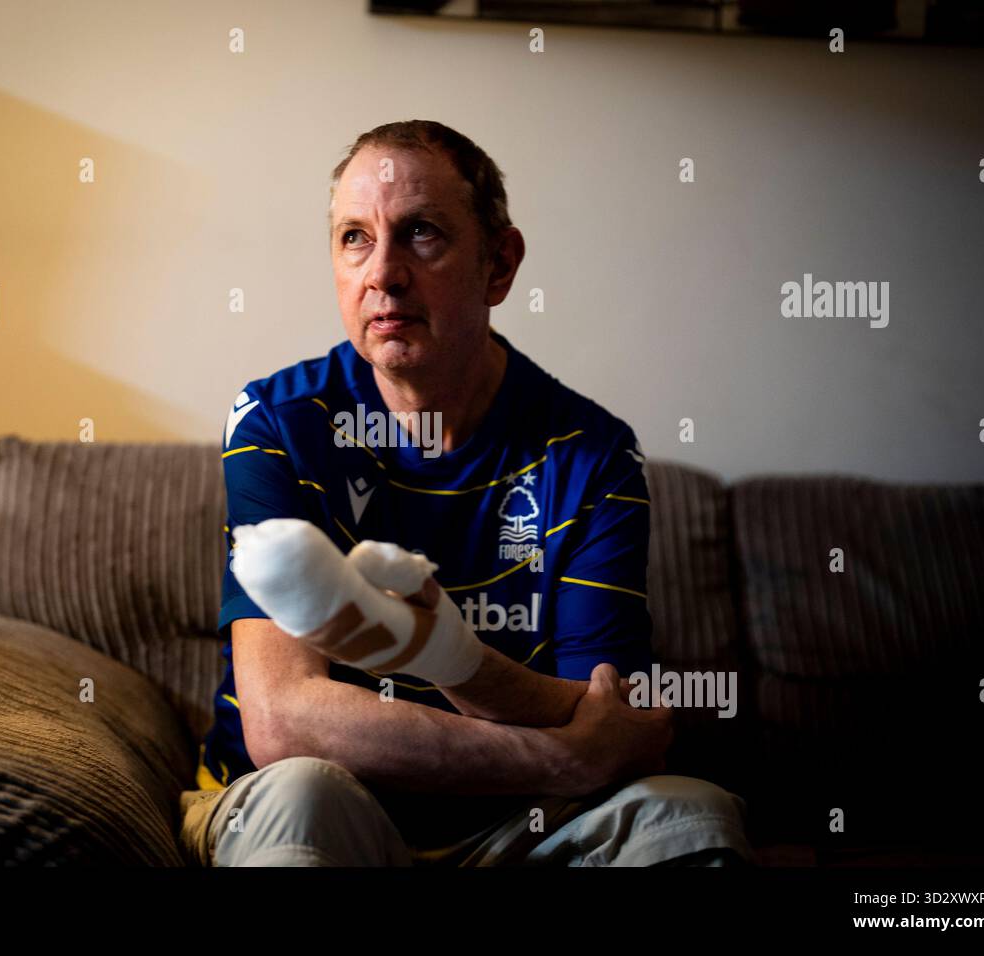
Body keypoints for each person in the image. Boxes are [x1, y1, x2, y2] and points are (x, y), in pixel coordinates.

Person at [178, 119, 753, 867]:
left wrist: (446, 656)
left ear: (500, 265)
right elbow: (285, 722)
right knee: (302, 793)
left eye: (420, 233)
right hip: (326, 812)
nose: (381, 273)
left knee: (690, 815)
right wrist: (561, 759)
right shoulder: (277, 422)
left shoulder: (593, 455)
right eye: (354, 237)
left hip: (520, 827)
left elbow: (605, 717)